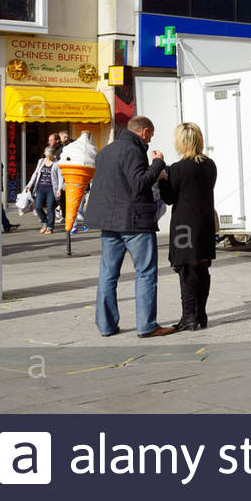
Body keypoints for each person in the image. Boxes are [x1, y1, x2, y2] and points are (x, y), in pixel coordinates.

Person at [85, 115, 174, 338]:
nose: (150, 141)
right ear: (144, 132)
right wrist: (157, 164)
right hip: (135, 223)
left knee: (108, 274)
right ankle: (147, 325)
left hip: (109, 222)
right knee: (145, 272)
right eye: (150, 136)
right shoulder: (134, 151)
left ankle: (106, 326)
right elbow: (139, 184)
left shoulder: (106, 151)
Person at [158, 122, 217, 331]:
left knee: (187, 270)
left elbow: (169, 198)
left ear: (180, 142)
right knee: (202, 267)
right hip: (206, 222)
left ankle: (188, 317)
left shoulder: (177, 169)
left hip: (185, 225)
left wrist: (163, 178)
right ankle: (201, 314)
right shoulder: (210, 165)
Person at [27, 145, 62, 234]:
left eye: (49, 156)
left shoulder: (57, 163)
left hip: (51, 189)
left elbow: (61, 177)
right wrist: (29, 185)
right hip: (40, 187)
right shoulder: (41, 161)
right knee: (37, 207)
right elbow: (35, 174)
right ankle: (45, 222)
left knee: (50, 208)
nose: (48, 158)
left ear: (53, 155)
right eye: (46, 156)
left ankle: (50, 227)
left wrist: (59, 189)